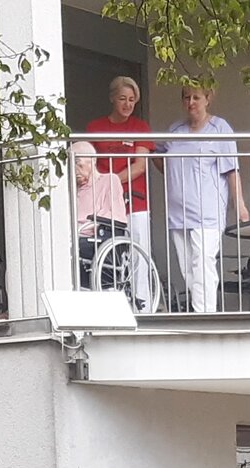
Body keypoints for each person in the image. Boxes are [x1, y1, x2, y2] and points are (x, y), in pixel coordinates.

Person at [160, 82, 247, 314]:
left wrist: (239, 204)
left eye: (196, 97)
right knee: (187, 266)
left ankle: (205, 314)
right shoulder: (175, 129)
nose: (191, 103)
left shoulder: (220, 128)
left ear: (208, 99)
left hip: (207, 209)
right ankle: (200, 308)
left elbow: (231, 169)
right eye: (186, 97)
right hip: (178, 211)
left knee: (204, 261)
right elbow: (159, 157)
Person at [86, 76, 159, 307]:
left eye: (132, 100)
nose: (127, 104)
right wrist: (106, 187)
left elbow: (140, 165)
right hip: (105, 204)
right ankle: (113, 306)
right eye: (122, 99)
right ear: (112, 99)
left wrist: (111, 181)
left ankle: (144, 307)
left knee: (139, 254)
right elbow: (89, 165)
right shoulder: (95, 128)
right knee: (106, 254)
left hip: (136, 201)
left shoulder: (140, 127)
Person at [73, 151, 132, 286]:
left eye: (79, 165)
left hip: (96, 233)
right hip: (75, 233)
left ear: (92, 162)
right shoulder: (72, 188)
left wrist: (88, 225)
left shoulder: (109, 180)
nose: (76, 171)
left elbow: (114, 215)